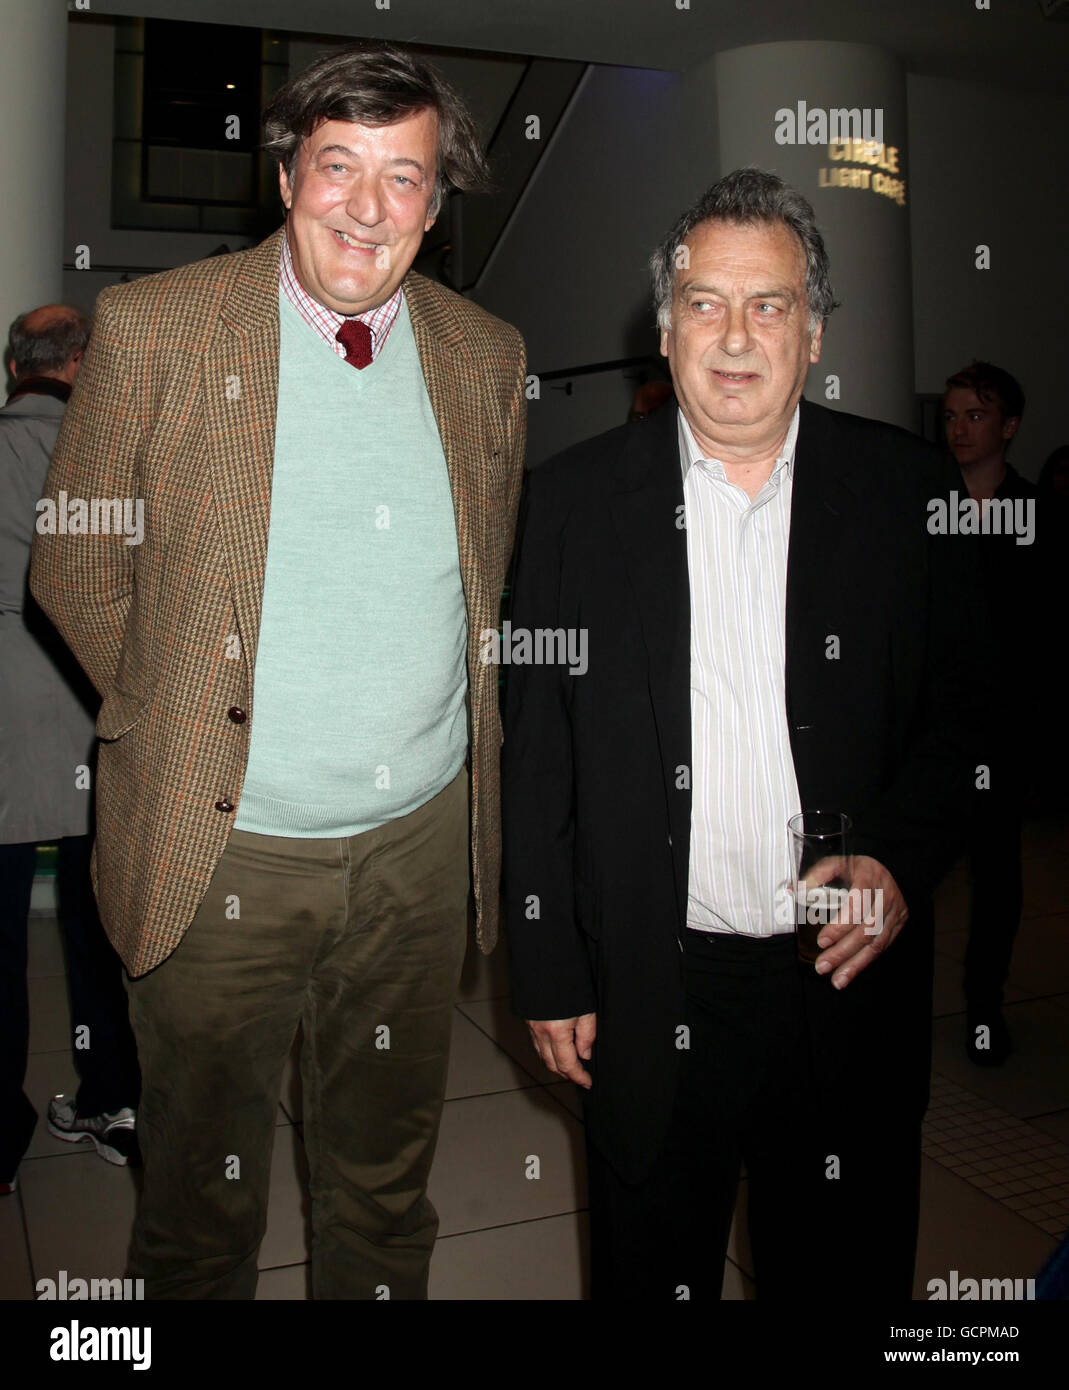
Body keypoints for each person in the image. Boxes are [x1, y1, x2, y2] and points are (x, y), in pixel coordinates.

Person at [30, 44, 526, 1299]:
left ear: (437, 198)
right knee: (203, 1206)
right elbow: (74, 562)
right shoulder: (155, 326)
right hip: (224, 850)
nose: (366, 207)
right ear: (288, 172)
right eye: (338, 166)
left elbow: (482, 576)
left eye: (403, 177)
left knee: (382, 1182)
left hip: (418, 850)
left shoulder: (485, 356)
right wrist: (169, 717)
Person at [503, 168, 986, 1301]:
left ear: (811, 331)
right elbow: (536, 759)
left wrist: (899, 858)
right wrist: (546, 963)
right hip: (649, 983)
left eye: (766, 305)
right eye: (703, 303)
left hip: (843, 982)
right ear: (662, 328)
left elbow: (968, 719)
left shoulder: (906, 492)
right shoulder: (570, 503)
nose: (733, 335)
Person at [1, 306, 141, 1194]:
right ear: (80, 367)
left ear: (17, 366)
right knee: (101, 934)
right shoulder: (101, 460)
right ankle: (113, 1103)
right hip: (92, 721)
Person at [944, 362, 1045, 1064]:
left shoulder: (1037, 514)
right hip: (931, 728)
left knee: (996, 877)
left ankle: (986, 1004)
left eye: (974, 416)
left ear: (1006, 426)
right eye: (950, 416)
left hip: (1002, 730)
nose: (958, 429)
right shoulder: (923, 501)